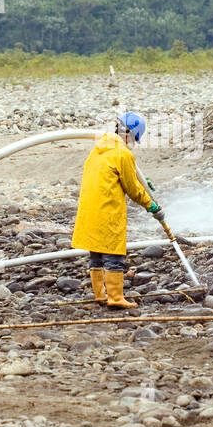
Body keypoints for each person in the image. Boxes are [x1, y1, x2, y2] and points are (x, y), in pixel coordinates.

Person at [72, 112, 162, 309]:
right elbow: (133, 189)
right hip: (108, 210)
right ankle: (115, 298)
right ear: (130, 135)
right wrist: (150, 205)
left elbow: (115, 174)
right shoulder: (124, 154)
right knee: (113, 255)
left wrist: (142, 180)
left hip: (89, 209)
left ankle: (100, 295)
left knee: (95, 253)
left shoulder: (99, 148)